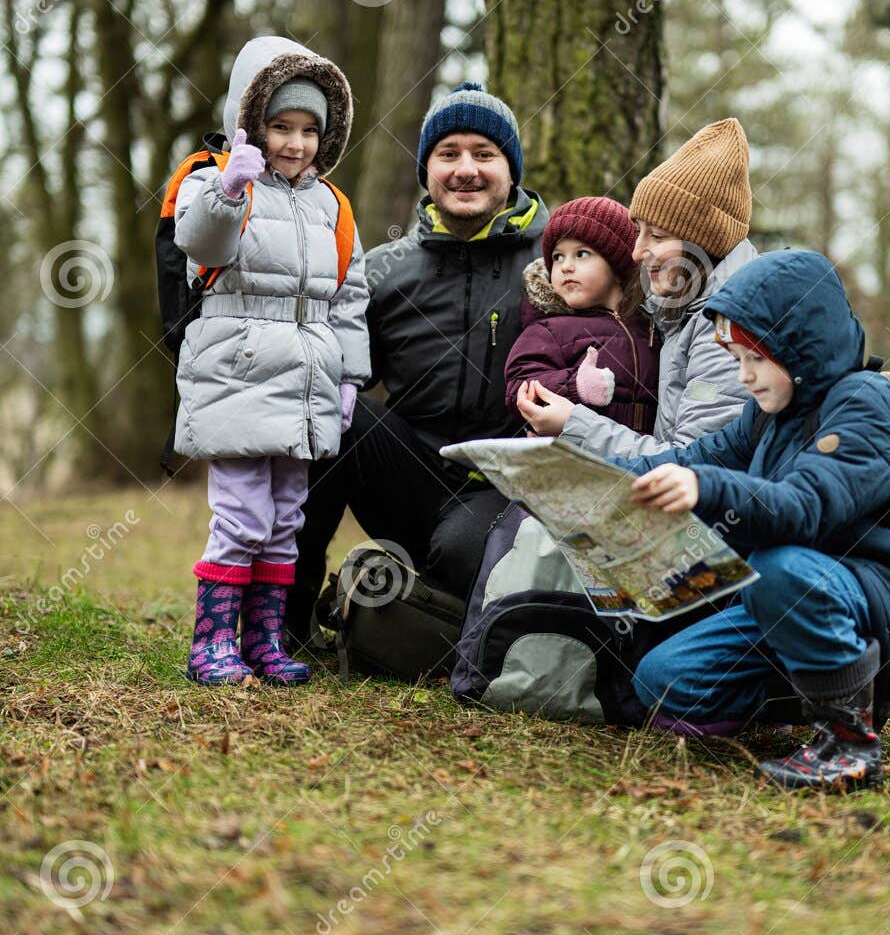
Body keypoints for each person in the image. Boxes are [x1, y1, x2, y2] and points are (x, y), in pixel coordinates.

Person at [620, 250, 890, 790]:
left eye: (755, 358)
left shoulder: (863, 405)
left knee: (778, 565)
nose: (745, 376)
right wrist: (595, 476)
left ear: (798, 345)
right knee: (661, 680)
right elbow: (690, 459)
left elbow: (801, 507)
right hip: (809, 592)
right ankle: (830, 689)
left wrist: (705, 490)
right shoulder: (767, 414)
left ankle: (848, 743)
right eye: (736, 359)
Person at [285, 82, 549, 643]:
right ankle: (289, 617)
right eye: (448, 154)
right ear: (426, 169)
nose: (466, 170)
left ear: (511, 170)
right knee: (329, 409)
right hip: (410, 473)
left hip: (503, 486)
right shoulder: (384, 270)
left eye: (485, 154)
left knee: (457, 556)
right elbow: (339, 363)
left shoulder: (555, 263)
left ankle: (432, 613)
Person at [172, 36, 368, 685]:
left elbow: (350, 293)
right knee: (242, 514)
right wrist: (230, 187)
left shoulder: (332, 206)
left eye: (310, 129)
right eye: (281, 126)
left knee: (287, 518)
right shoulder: (217, 182)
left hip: (307, 378)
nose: (295, 143)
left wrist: (348, 374)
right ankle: (211, 643)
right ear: (251, 122)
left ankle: (262, 641)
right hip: (238, 369)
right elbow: (198, 243)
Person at [516, 119, 759, 458]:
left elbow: (694, 465)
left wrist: (573, 425)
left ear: (703, 242)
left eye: (657, 236)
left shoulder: (726, 327)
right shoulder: (676, 312)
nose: (636, 252)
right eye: (638, 231)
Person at [506, 197, 658, 435]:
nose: (566, 266)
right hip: (576, 457)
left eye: (582, 254)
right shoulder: (548, 330)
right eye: (558, 257)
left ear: (618, 267)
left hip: (646, 456)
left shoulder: (652, 324)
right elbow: (519, 388)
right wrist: (575, 385)